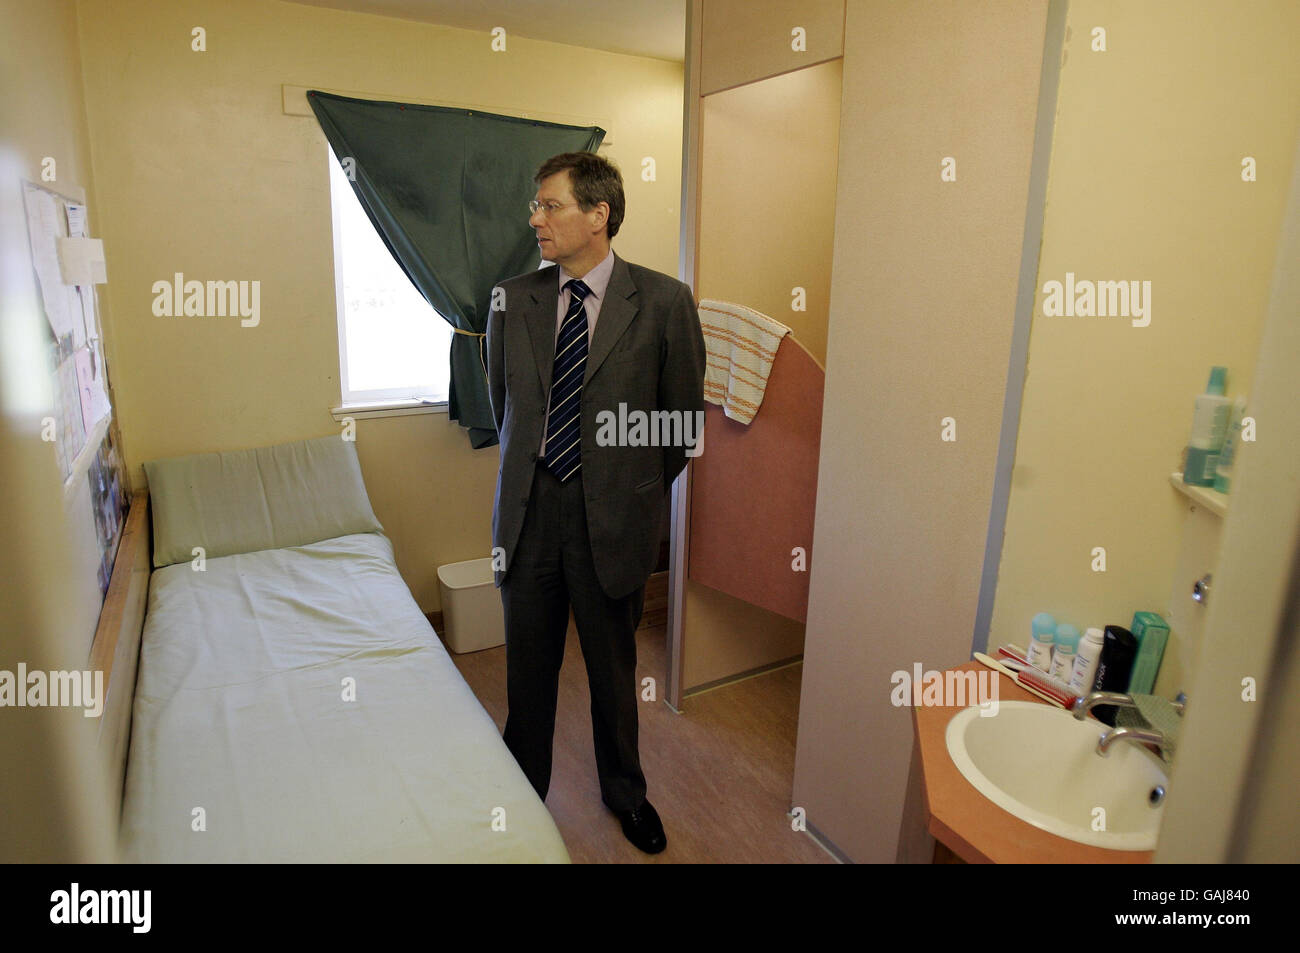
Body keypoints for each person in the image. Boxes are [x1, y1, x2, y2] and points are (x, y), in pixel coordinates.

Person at [485, 152, 706, 854]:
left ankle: (625, 794)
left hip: (612, 518)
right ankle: (523, 799)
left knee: (615, 673)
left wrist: (625, 485)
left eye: (549, 205)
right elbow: (505, 407)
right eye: (537, 205)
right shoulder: (512, 298)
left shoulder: (664, 301)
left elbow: (679, 427)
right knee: (528, 670)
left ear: (597, 215)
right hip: (529, 513)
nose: (536, 219)